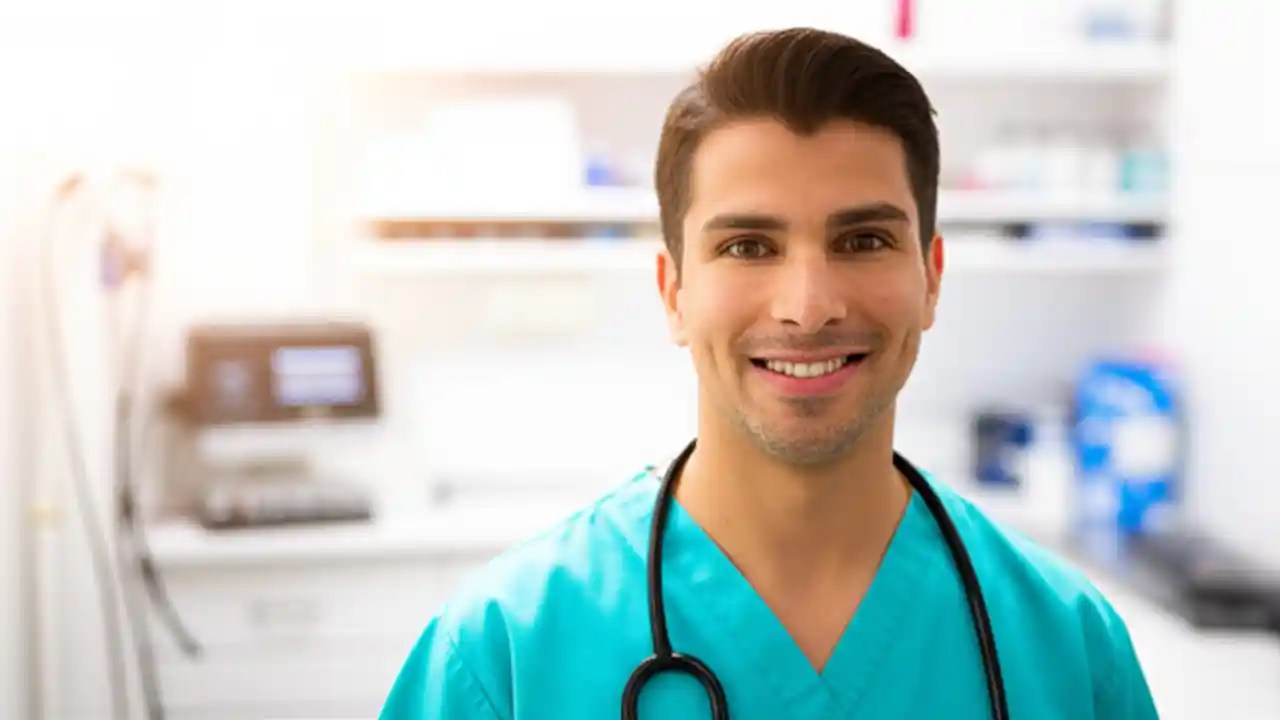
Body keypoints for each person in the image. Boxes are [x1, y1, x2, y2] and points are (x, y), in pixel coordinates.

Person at [379, 27, 1159, 719]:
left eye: (862, 242)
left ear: (932, 277)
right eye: (748, 247)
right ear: (673, 291)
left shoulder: (1069, 651)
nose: (808, 306)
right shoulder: (504, 655)